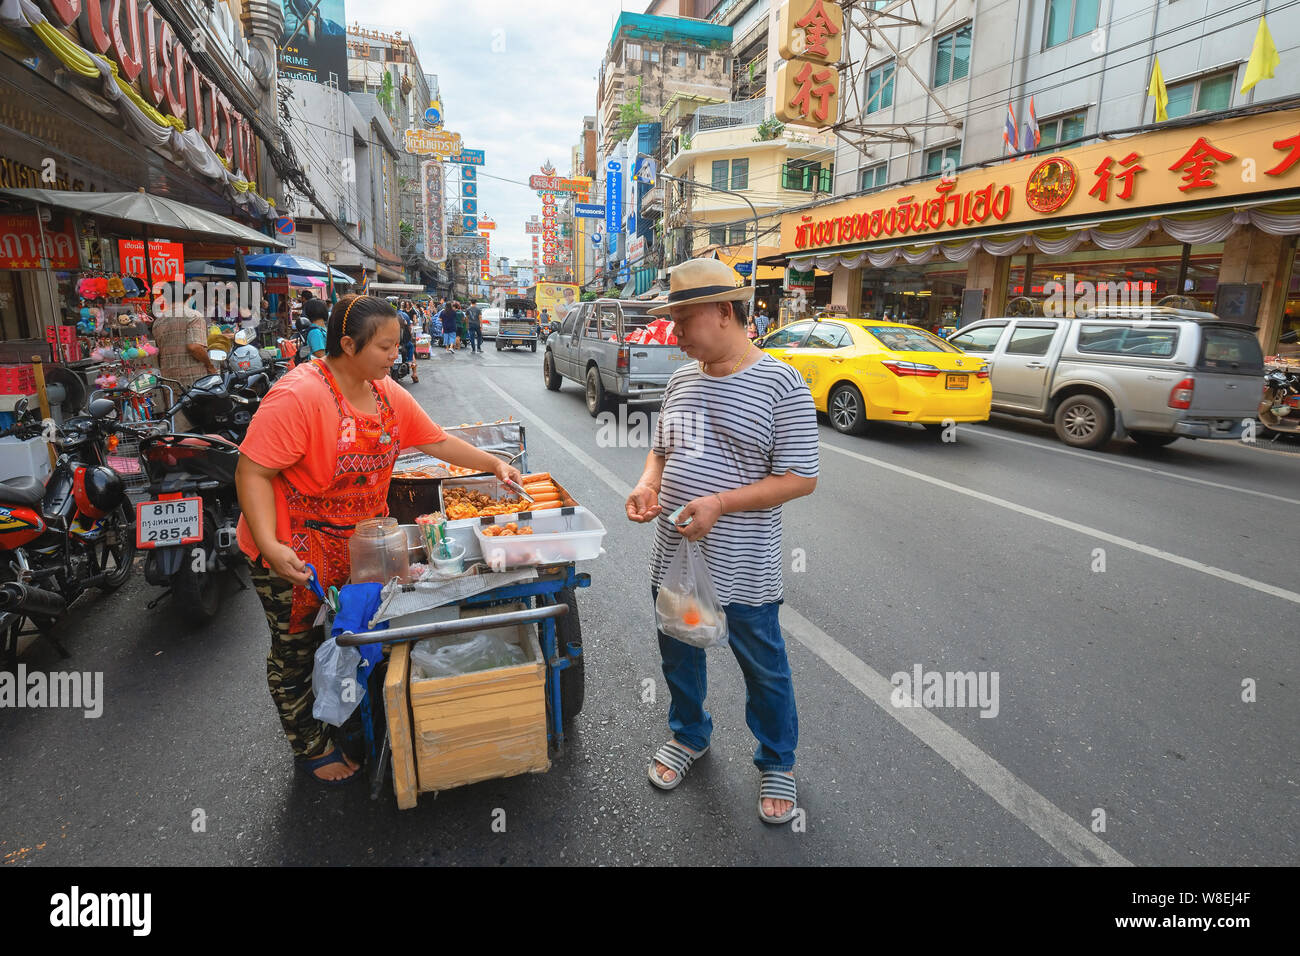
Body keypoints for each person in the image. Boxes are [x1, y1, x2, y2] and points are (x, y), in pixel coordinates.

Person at [235, 295, 523, 786]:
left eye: (398, 344)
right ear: (348, 344)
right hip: (294, 549)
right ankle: (309, 745)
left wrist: (492, 463)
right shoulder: (299, 396)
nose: (396, 355)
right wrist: (269, 542)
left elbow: (434, 441)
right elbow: (253, 472)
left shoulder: (386, 393)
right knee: (295, 647)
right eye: (386, 346)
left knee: (360, 629)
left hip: (365, 542)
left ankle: (352, 711)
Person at [625, 258, 818, 826]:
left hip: (744, 565)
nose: (675, 332)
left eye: (683, 319)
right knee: (680, 653)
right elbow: (662, 450)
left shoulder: (781, 382)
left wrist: (720, 503)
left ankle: (777, 759)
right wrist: (646, 483)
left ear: (724, 313)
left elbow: (801, 477)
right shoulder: (682, 378)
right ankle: (690, 735)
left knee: (763, 667)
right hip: (677, 557)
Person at [152, 289, 216, 433]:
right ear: (189, 296)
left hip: (169, 381)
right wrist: (210, 366)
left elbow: (158, 352)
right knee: (199, 427)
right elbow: (194, 347)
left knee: (178, 428)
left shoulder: (158, 321)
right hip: (193, 382)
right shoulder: (194, 316)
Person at [397, 298, 419, 382]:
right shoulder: (403, 315)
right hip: (403, 341)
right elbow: (409, 328)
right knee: (411, 347)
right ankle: (414, 372)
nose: (406, 305)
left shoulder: (385, 315)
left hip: (391, 342)